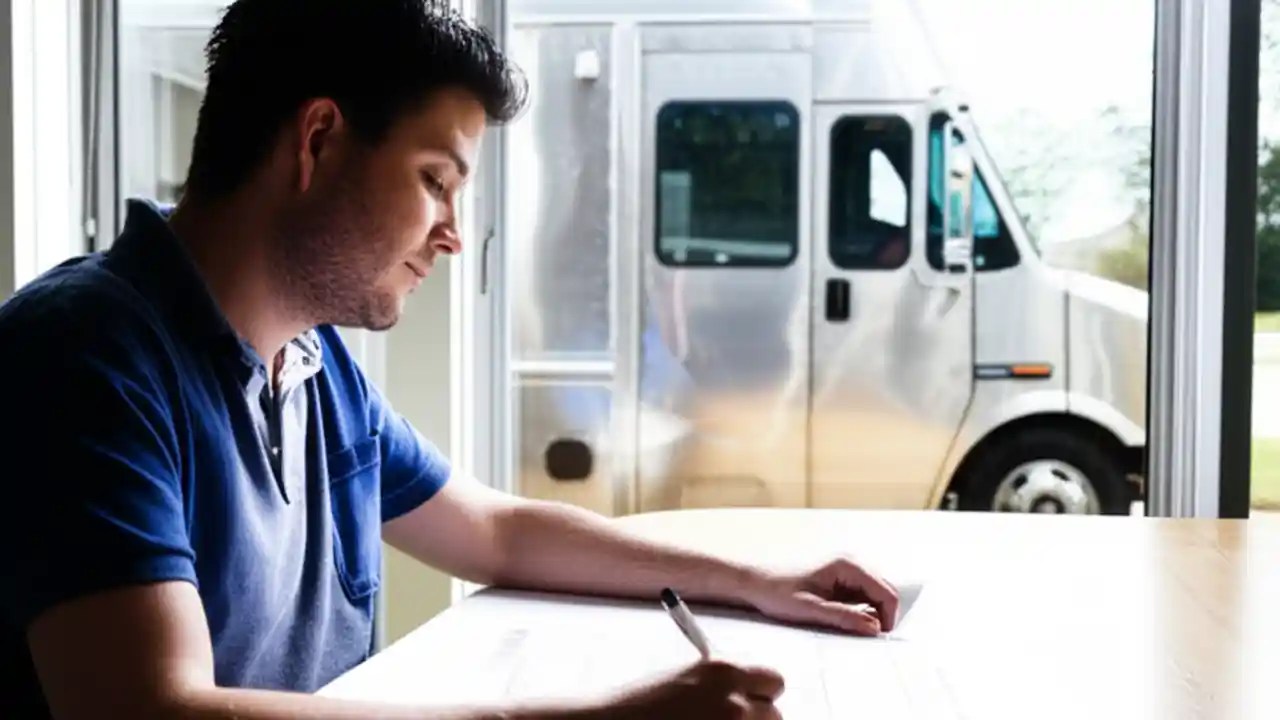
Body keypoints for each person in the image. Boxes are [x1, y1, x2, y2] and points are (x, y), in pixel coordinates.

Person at [0, 1, 899, 718]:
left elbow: (495, 530)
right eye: (437, 181)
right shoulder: (83, 357)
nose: (454, 235)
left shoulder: (313, 365)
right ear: (317, 141)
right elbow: (152, 710)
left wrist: (757, 585)